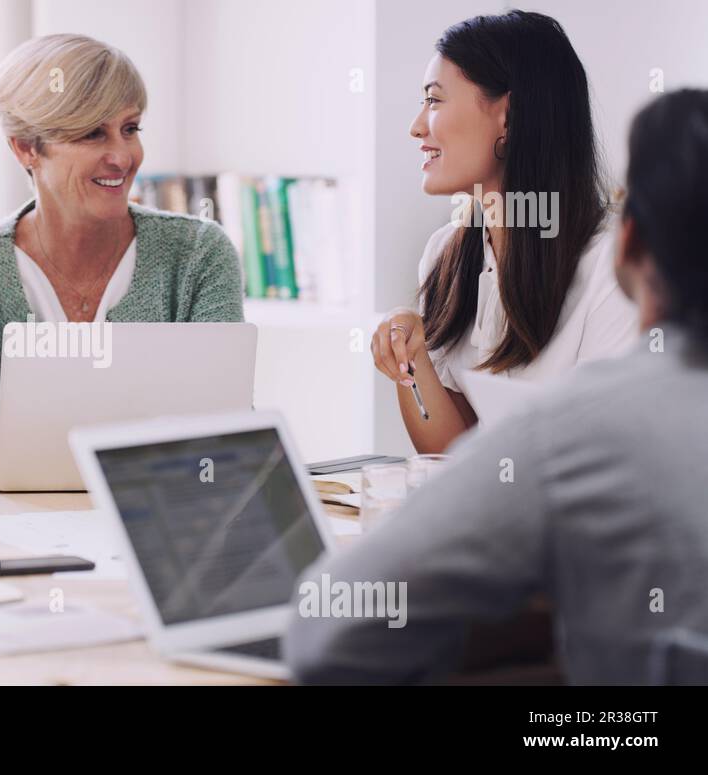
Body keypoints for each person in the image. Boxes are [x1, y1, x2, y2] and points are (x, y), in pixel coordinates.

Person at [287, 89, 708, 685]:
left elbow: (328, 628)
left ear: (630, 239)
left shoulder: (579, 426)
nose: (417, 127)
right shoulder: (454, 254)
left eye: (435, 99)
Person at [0, 33, 244, 466]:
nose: (121, 157)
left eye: (130, 129)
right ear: (25, 148)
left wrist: (0, 421)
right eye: (92, 134)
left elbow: (227, 428)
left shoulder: (199, 255)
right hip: (9, 529)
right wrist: (148, 422)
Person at [372, 11, 637, 453]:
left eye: (435, 100)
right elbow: (452, 456)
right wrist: (411, 355)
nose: (417, 126)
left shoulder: (611, 270)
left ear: (508, 118)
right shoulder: (444, 256)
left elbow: (604, 464)